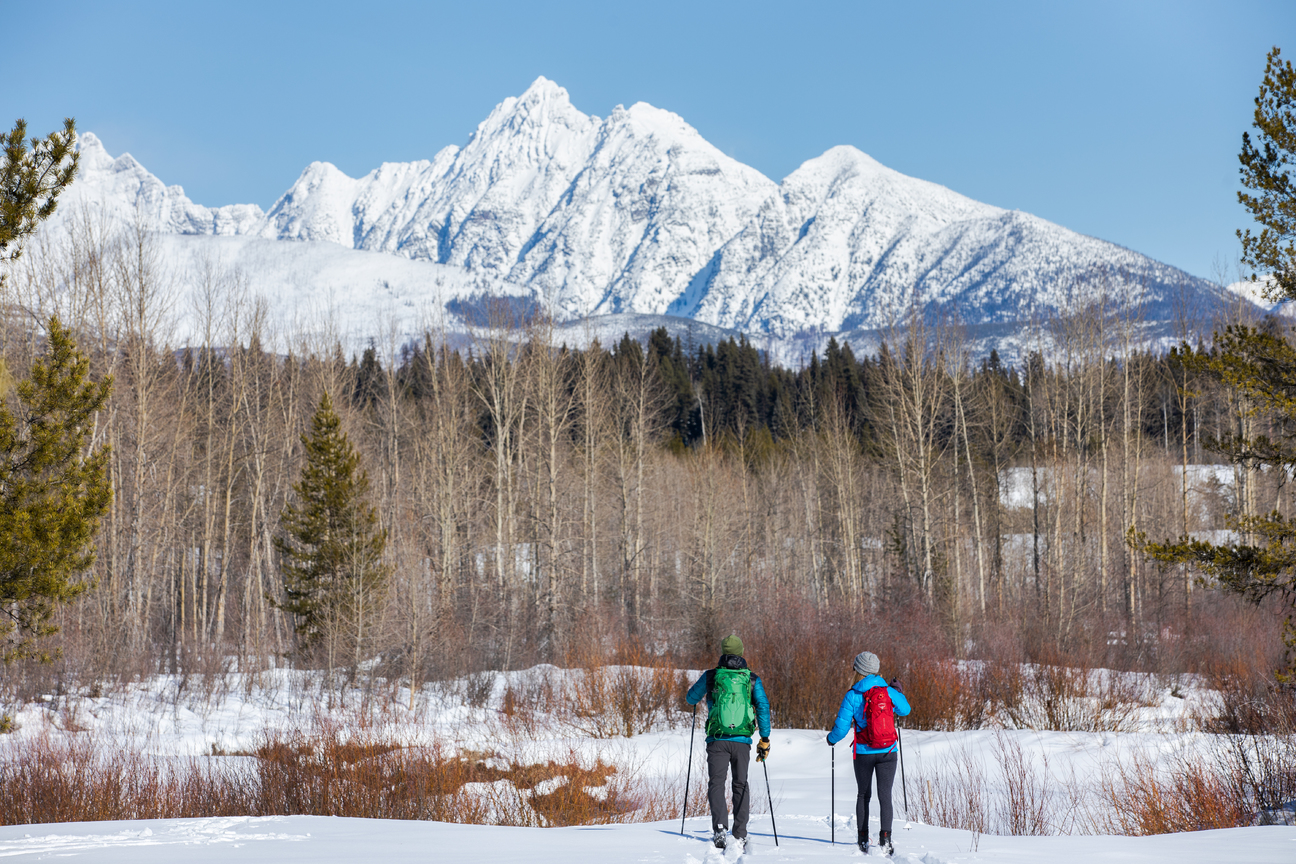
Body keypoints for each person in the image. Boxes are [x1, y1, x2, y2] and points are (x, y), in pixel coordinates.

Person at [685, 633, 772, 851]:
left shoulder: (712, 676)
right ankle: (740, 833)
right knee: (740, 784)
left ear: (723, 652)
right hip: (742, 740)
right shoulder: (751, 678)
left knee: (716, 783)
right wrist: (765, 738)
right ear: (741, 653)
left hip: (717, 739)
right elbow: (762, 705)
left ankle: (720, 829)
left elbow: (690, 699)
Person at [825, 651, 911, 856]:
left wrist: (831, 739)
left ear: (858, 670)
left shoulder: (853, 695)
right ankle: (886, 839)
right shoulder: (888, 692)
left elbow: (842, 728)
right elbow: (905, 710)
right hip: (888, 751)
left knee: (863, 794)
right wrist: (898, 691)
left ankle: (863, 839)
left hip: (863, 752)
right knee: (885, 796)